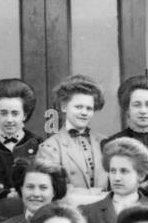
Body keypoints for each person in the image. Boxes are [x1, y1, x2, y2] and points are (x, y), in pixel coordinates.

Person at [34, 73, 108, 206]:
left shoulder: (105, 143)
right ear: (63, 107)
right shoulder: (49, 148)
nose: (84, 112)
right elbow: (61, 195)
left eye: (89, 108)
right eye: (78, 107)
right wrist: (105, 196)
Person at [0, 77, 44, 212]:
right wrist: (4, 195)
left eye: (15, 113)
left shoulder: (39, 145)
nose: (9, 120)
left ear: (24, 115)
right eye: (3, 113)